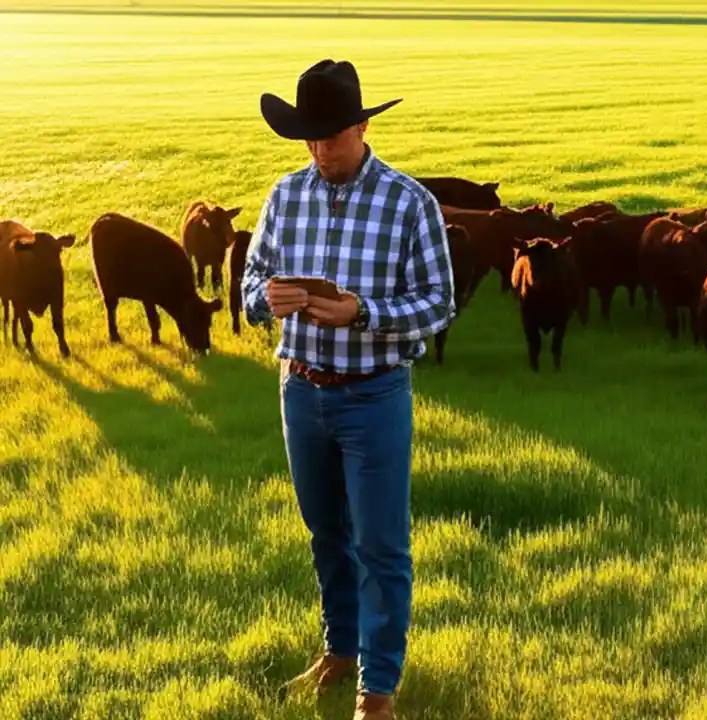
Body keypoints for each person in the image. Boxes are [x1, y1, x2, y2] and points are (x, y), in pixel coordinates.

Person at [241, 58, 455, 720]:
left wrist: (362, 313)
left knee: (381, 542)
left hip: (374, 395)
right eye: (309, 136)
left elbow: (440, 303)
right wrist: (265, 299)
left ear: (362, 127)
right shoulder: (284, 196)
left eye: (331, 135)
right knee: (324, 531)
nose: (319, 150)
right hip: (300, 391)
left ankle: (378, 689)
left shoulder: (409, 203)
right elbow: (250, 282)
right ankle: (339, 649)